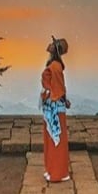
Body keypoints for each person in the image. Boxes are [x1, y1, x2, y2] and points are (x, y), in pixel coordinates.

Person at [40, 36, 71, 182]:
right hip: (56, 107)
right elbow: (59, 89)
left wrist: (49, 92)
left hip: (51, 105)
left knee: (51, 138)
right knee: (57, 139)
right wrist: (64, 100)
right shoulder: (56, 67)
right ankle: (58, 172)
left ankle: (52, 170)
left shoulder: (52, 66)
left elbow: (50, 84)